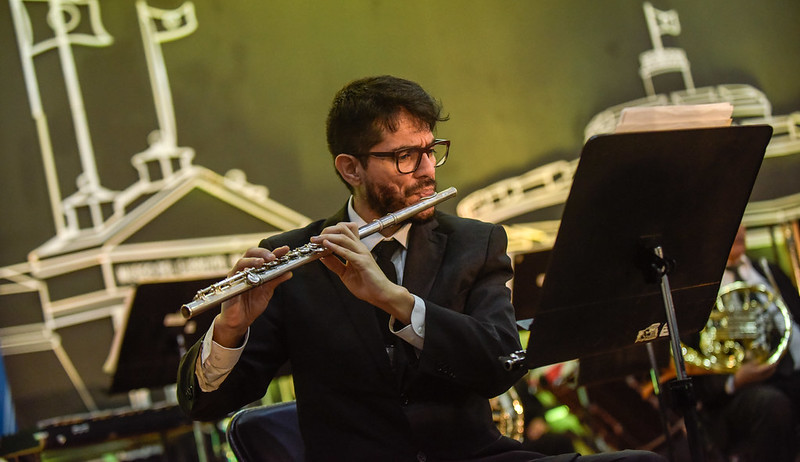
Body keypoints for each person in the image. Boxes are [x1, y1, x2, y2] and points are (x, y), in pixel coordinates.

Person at [177, 75, 666, 462]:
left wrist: (393, 299)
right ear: (351, 168)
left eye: (430, 150)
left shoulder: (475, 243)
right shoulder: (293, 257)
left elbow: (501, 364)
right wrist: (229, 330)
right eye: (405, 157)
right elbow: (207, 405)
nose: (429, 170)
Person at [691, 225, 800, 462]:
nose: (738, 230)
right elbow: (693, 362)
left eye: (742, 222)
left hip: (792, 372)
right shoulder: (699, 288)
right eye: (731, 223)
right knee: (771, 404)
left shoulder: (767, 270)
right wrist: (734, 380)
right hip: (736, 393)